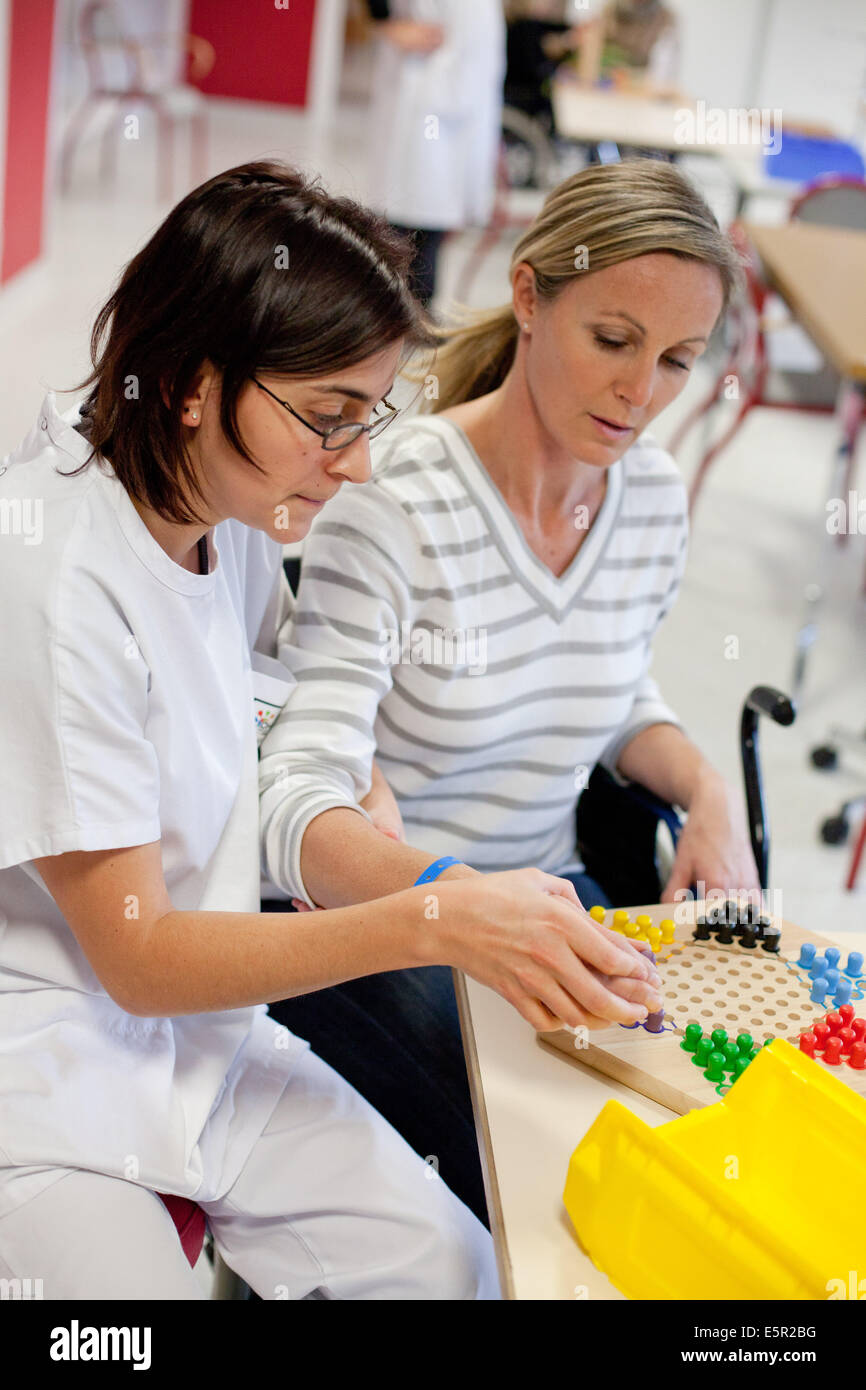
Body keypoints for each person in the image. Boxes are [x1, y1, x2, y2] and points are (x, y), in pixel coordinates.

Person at [0, 160, 661, 1300]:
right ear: (197, 382)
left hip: (203, 1045)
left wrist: (356, 785)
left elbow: (256, 701)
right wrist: (436, 918)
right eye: (328, 419)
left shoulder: (226, 508)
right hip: (50, 1070)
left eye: (370, 418)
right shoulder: (57, 585)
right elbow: (141, 956)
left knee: (452, 1269)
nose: (354, 464)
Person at [259, 159, 759, 1221]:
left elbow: (611, 683)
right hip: (391, 924)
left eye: (677, 359)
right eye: (613, 341)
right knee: (563, 1189)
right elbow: (291, 793)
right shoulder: (393, 501)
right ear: (529, 297)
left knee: (717, 1145)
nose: (641, 392)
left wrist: (706, 795)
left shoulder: (651, 499)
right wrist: (453, 902)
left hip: (548, 906)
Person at [364, 0, 506, 305]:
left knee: (427, 217)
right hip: (422, 91)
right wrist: (385, 22)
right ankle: (397, 317)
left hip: (452, 91)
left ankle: (411, 315)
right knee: (405, 216)